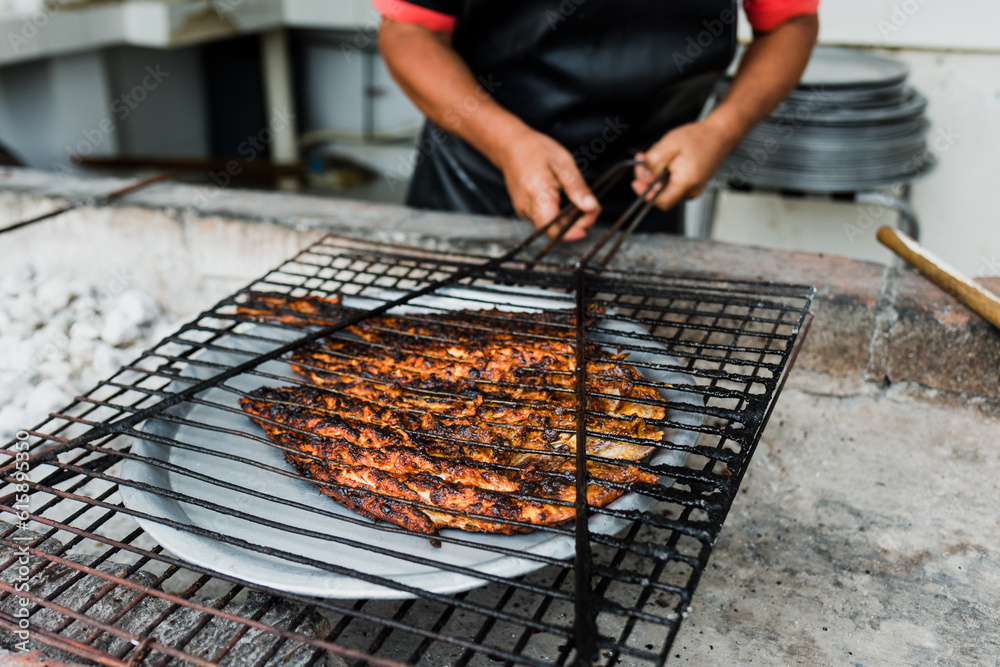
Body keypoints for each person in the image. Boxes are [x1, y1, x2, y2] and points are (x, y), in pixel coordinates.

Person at [375, 0, 819, 240]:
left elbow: (791, 20)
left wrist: (722, 129)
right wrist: (508, 143)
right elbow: (409, 31)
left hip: (646, 183)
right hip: (477, 181)